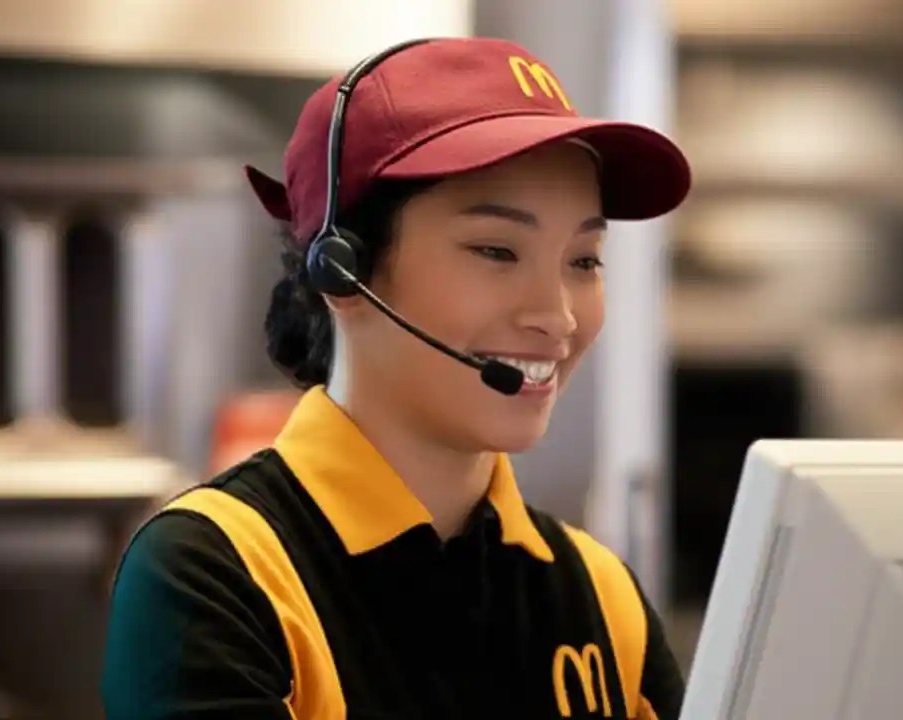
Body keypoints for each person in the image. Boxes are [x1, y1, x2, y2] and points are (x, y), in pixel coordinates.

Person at [101, 36, 691, 719]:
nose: (557, 317)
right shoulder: (217, 571)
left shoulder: (600, 594)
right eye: (497, 250)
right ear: (343, 270)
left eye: (583, 260)